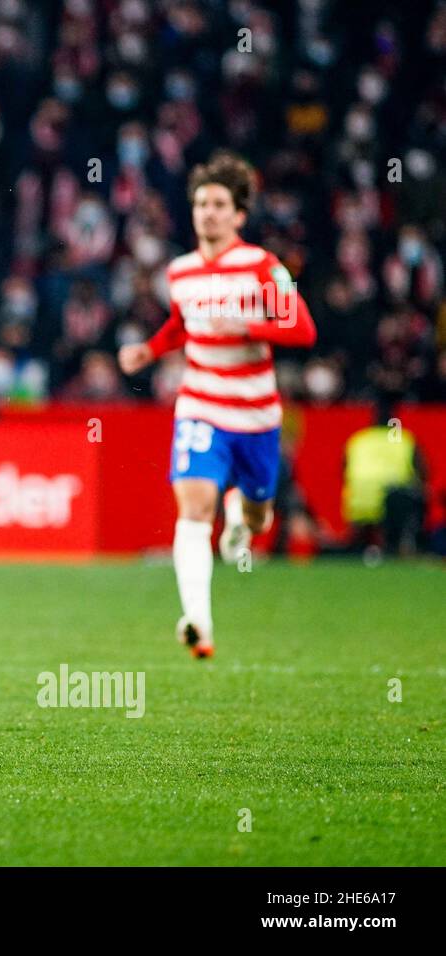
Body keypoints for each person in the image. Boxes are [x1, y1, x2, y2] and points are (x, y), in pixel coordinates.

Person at [118, 152, 316, 658]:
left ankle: (241, 525)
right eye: (201, 203)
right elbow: (182, 324)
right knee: (192, 506)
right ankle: (198, 621)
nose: (207, 212)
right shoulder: (180, 271)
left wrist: (249, 327)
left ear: (239, 215)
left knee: (258, 514)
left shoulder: (264, 268)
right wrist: (152, 349)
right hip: (200, 406)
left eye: (219, 204)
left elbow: (303, 328)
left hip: (257, 416)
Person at [342, 396, 427, 557]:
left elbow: (344, 471)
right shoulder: (404, 440)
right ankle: (408, 546)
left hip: (358, 504)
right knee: (415, 495)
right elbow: (423, 473)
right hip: (392, 505)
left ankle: (361, 548)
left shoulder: (358, 440)